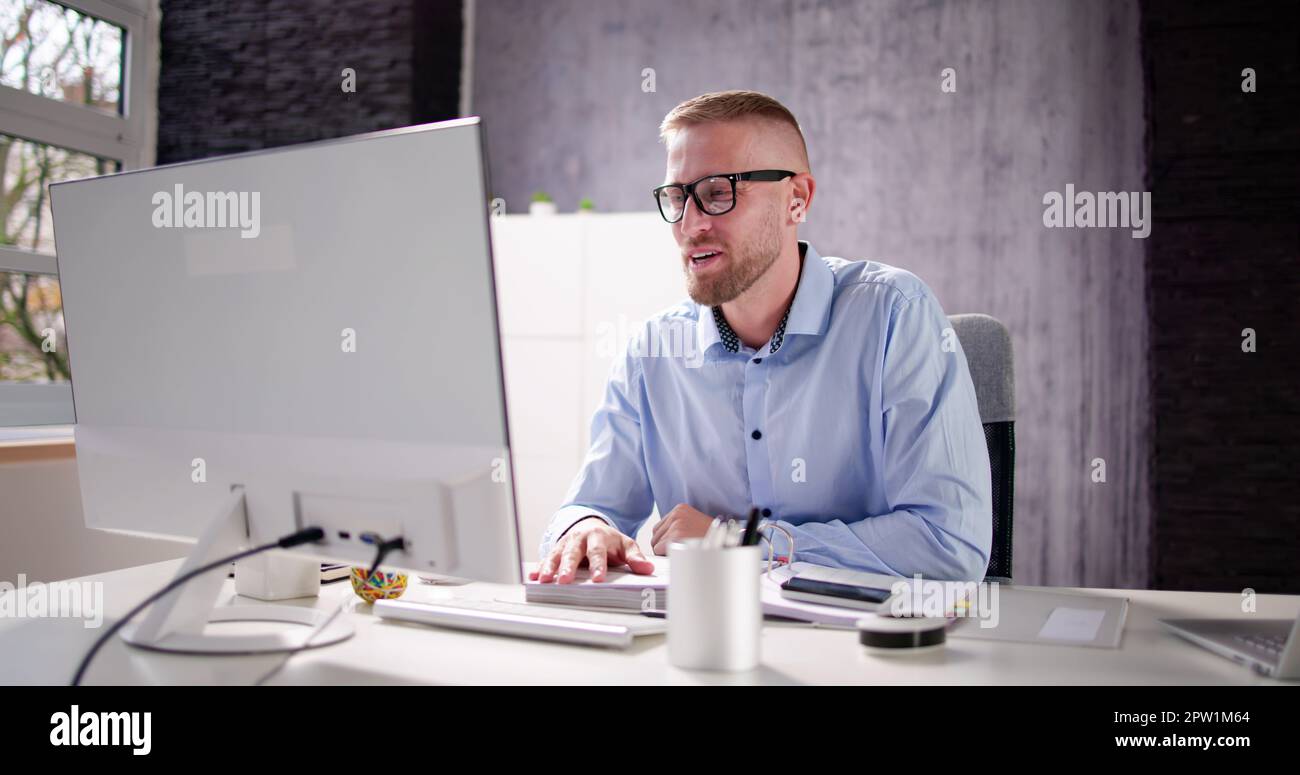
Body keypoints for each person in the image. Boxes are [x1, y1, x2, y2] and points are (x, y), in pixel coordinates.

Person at [531, 90, 991, 585]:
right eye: (676, 197)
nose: (690, 224)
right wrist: (586, 528)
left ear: (798, 199)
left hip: (862, 649)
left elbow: (950, 544)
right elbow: (589, 505)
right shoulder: (653, 351)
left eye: (717, 192)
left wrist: (738, 543)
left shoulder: (895, 316)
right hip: (702, 646)